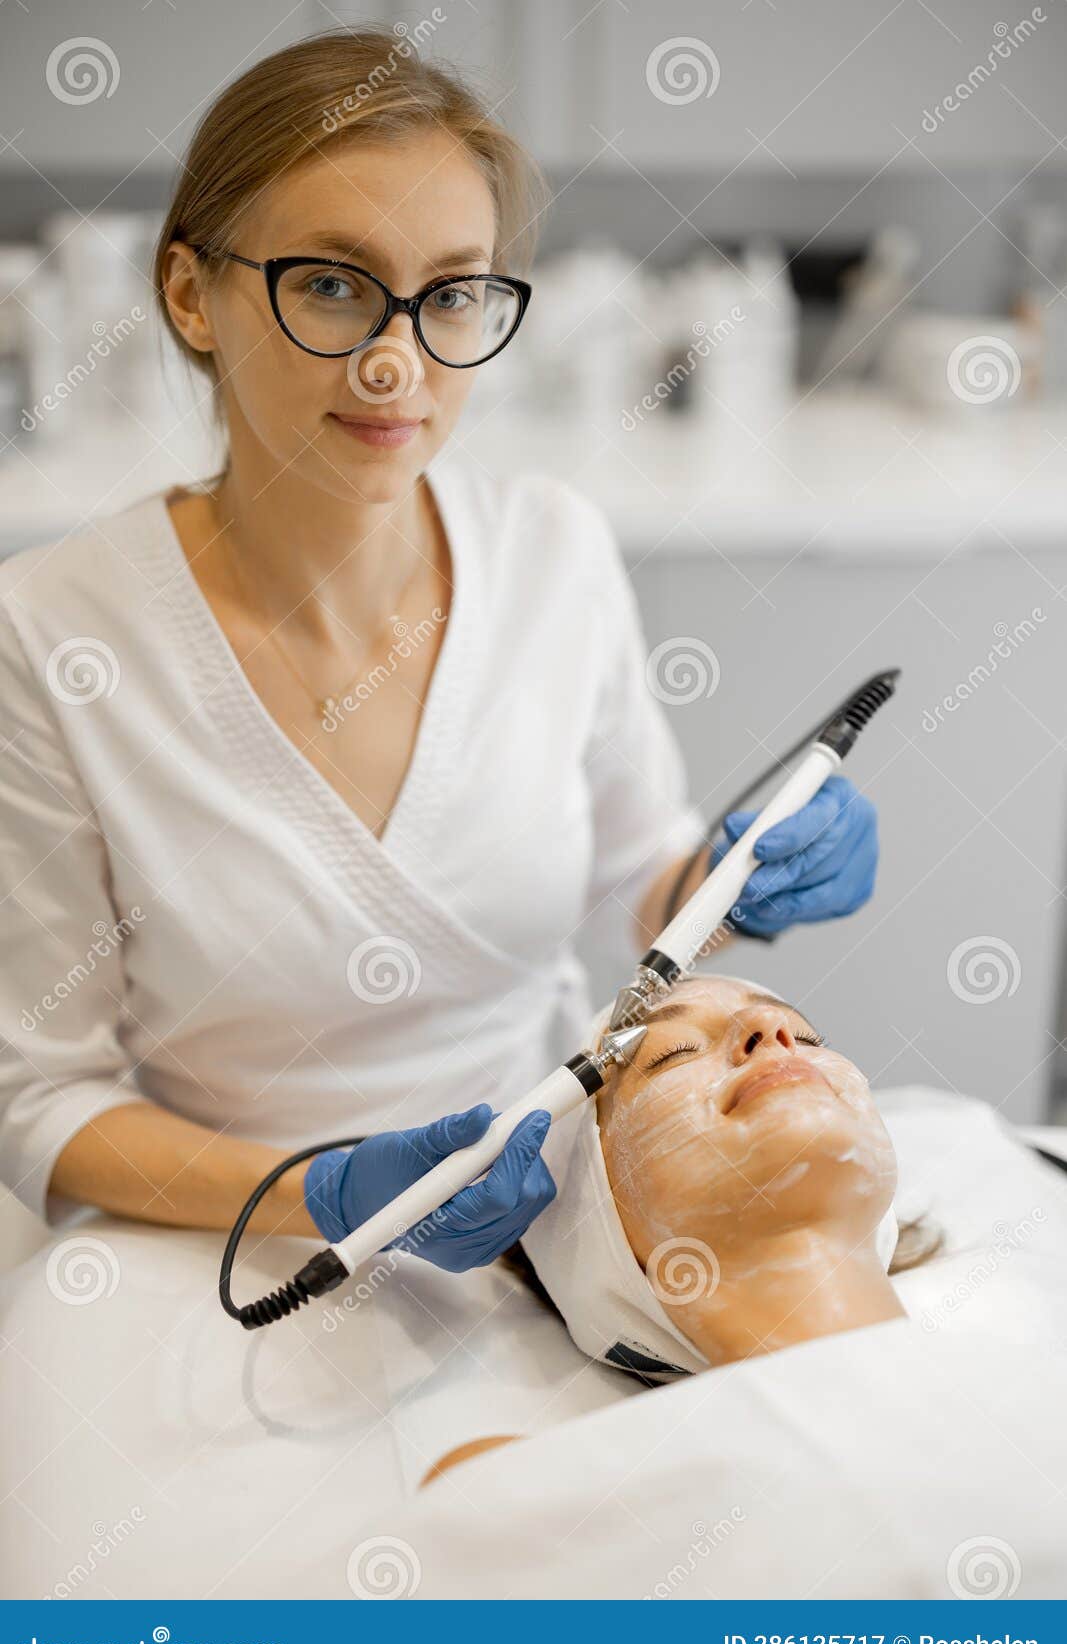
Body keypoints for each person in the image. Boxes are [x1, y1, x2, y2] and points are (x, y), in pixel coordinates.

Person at [0, 29, 877, 1266]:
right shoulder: (51, 636)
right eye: (330, 284)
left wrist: (740, 878)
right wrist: (327, 1194)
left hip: (540, 1217)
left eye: (451, 293)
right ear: (191, 294)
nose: (395, 361)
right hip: (221, 1247)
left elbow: (641, 878)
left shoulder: (550, 551)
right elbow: (42, 1101)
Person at [424, 972, 939, 1482]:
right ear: (596, 1227)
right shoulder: (548, 1488)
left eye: (806, 1037)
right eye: (676, 1052)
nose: (769, 1025)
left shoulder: (994, 1360)